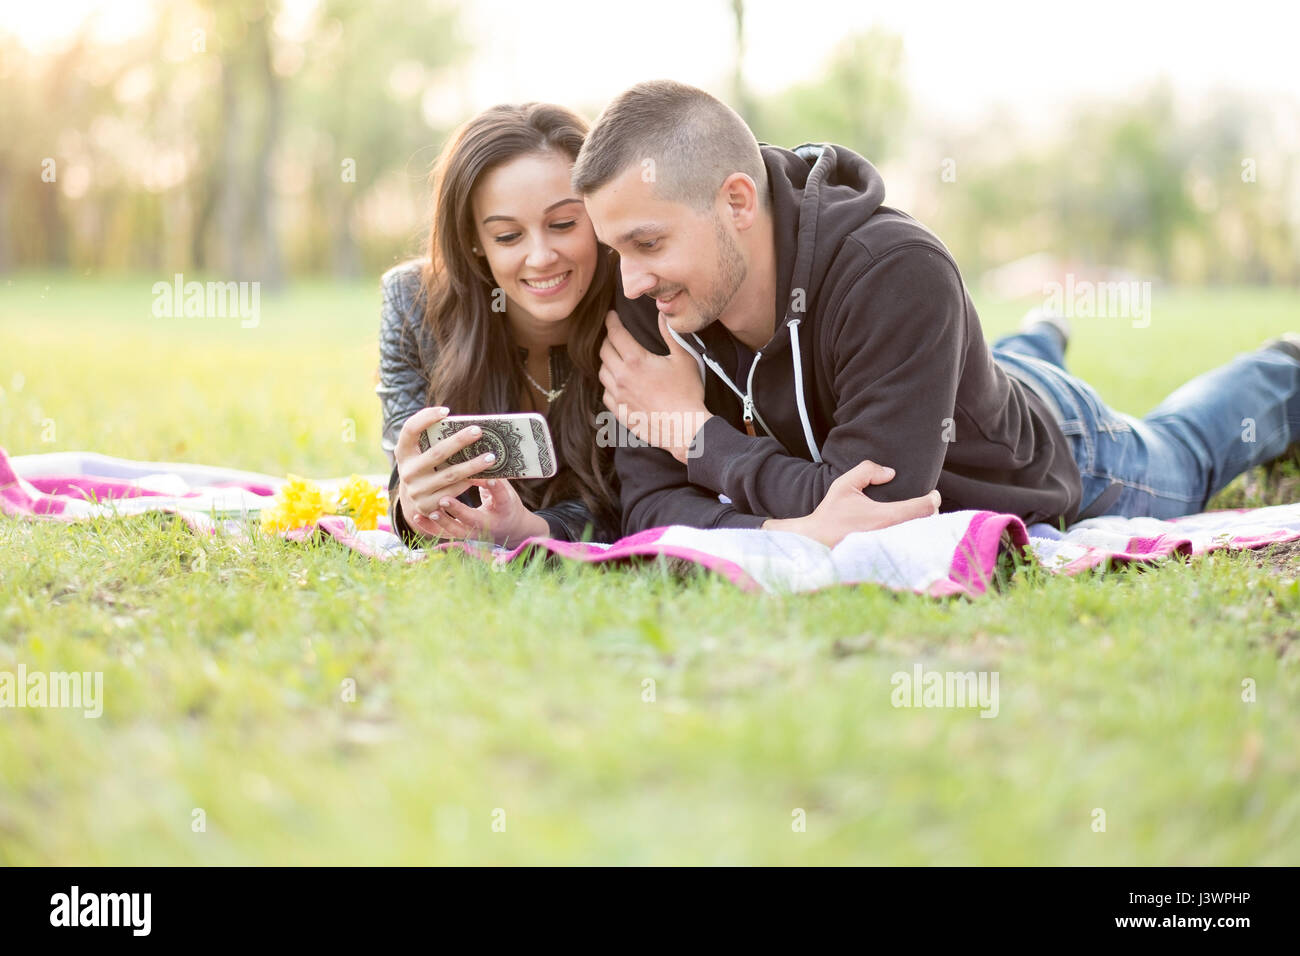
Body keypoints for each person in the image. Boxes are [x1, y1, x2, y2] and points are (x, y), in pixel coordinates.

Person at [573, 79, 1300, 548]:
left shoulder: (895, 271)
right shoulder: (651, 291)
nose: (630, 282)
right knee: (995, 365)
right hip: (942, 384)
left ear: (736, 201)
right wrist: (789, 522)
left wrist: (696, 434)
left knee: (1188, 450)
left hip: (1055, 446)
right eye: (616, 251)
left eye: (647, 243)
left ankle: (1283, 369)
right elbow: (648, 509)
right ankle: (1034, 340)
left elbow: (880, 507)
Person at [378, 102, 630, 547]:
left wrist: (535, 530)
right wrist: (413, 504)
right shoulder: (413, 306)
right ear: (474, 240)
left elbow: (640, 496)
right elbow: (405, 478)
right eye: (508, 236)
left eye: (564, 223)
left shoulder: (638, 302)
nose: (541, 256)